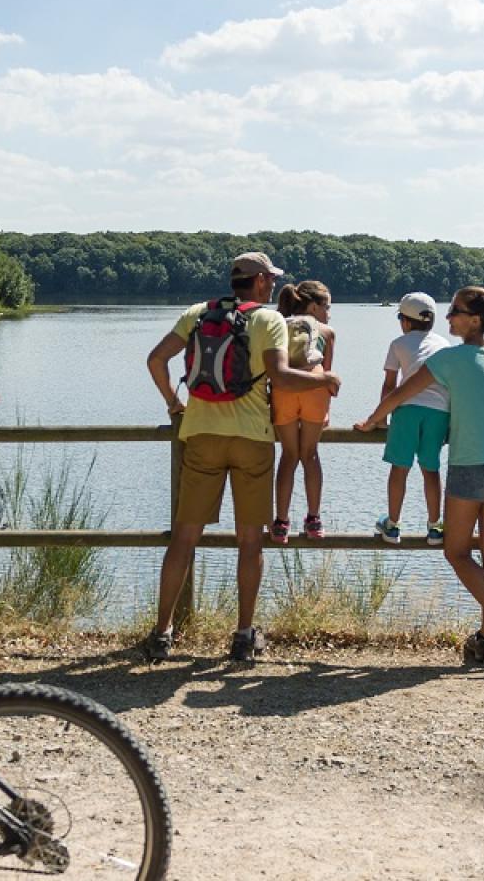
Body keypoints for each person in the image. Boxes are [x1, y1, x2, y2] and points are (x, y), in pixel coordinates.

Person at [142, 252, 339, 662]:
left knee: (183, 539)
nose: (271, 285)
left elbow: (155, 359)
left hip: (200, 435)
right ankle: (244, 636)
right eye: (269, 279)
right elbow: (282, 376)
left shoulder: (198, 313)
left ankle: (162, 633)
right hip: (251, 438)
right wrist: (326, 379)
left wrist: (173, 403)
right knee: (251, 542)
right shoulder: (267, 321)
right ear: (262, 281)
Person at [355, 283, 484, 668]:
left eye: (454, 311)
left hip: (472, 464)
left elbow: (400, 394)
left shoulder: (449, 360)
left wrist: (372, 421)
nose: (448, 316)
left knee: (455, 552)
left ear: (474, 319)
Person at [371, 292, 451, 546]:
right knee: (431, 469)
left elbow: (389, 385)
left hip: (407, 410)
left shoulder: (398, 344)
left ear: (405, 321)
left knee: (399, 468)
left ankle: (393, 525)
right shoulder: (445, 345)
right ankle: (434, 527)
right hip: (439, 412)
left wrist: (380, 418)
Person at [271, 279, 336, 543]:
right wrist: (327, 411)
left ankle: (281, 522)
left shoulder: (278, 326)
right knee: (309, 455)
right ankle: (313, 519)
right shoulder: (327, 332)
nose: (329, 313)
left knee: (288, 455)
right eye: (326, 307)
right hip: (315, 390)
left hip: (283, 389)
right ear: (312, 306)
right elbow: (328, 375)